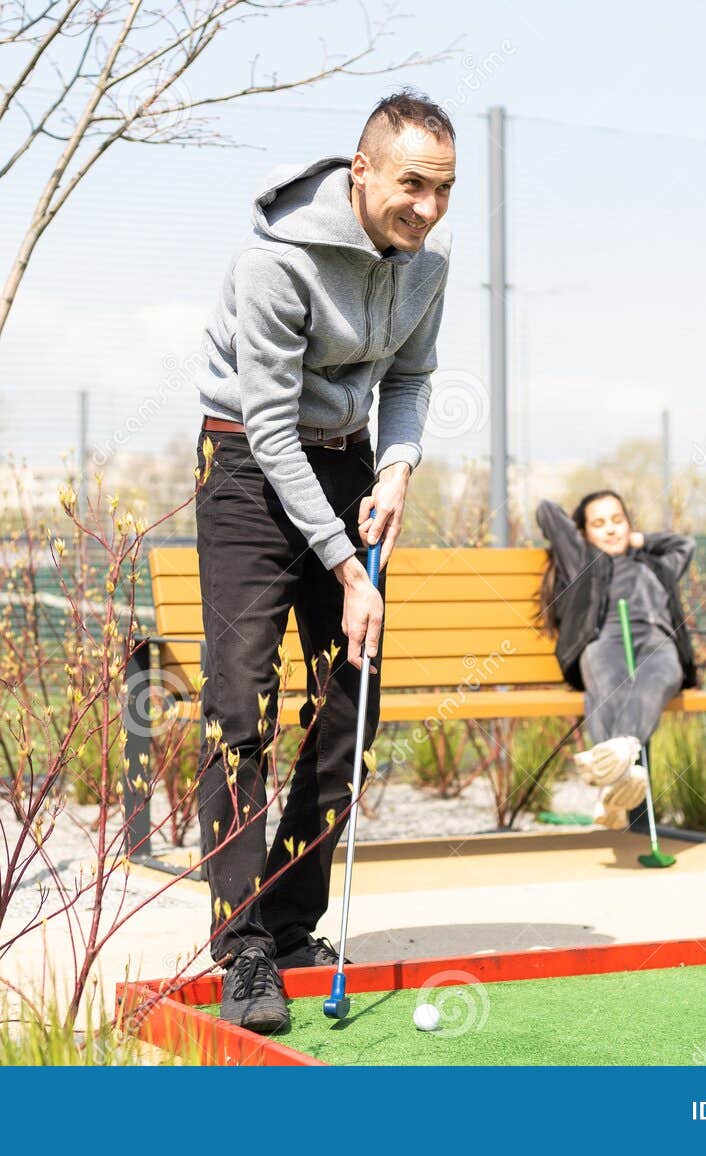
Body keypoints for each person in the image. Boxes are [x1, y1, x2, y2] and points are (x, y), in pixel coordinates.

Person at [191, 89, 456, 1032]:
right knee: (242, 705)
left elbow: (413, 380)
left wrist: (397, 466)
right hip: (247, 468)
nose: (426, 207)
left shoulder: (425, 268)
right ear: (363, 174)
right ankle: (242, 943)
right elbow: (267, 425)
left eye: (444, 190)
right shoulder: (274, 263)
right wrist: (348, 568)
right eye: (411, 185)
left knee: (353, 697)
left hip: (344, 464)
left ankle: (295, 924)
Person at [535, 492, 699, 828]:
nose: (610, 530)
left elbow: (685, 544)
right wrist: (583, 539)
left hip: (657, 639)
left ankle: (614, 776)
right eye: (599, 523)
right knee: (610, 682)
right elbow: (546, 511)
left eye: (617, 520)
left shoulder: (656, 564)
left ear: (629, 523)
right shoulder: (582, 559)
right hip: (604, 638)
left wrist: (639, 540)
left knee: (659, 675)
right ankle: (622, 768)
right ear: (583, 533)